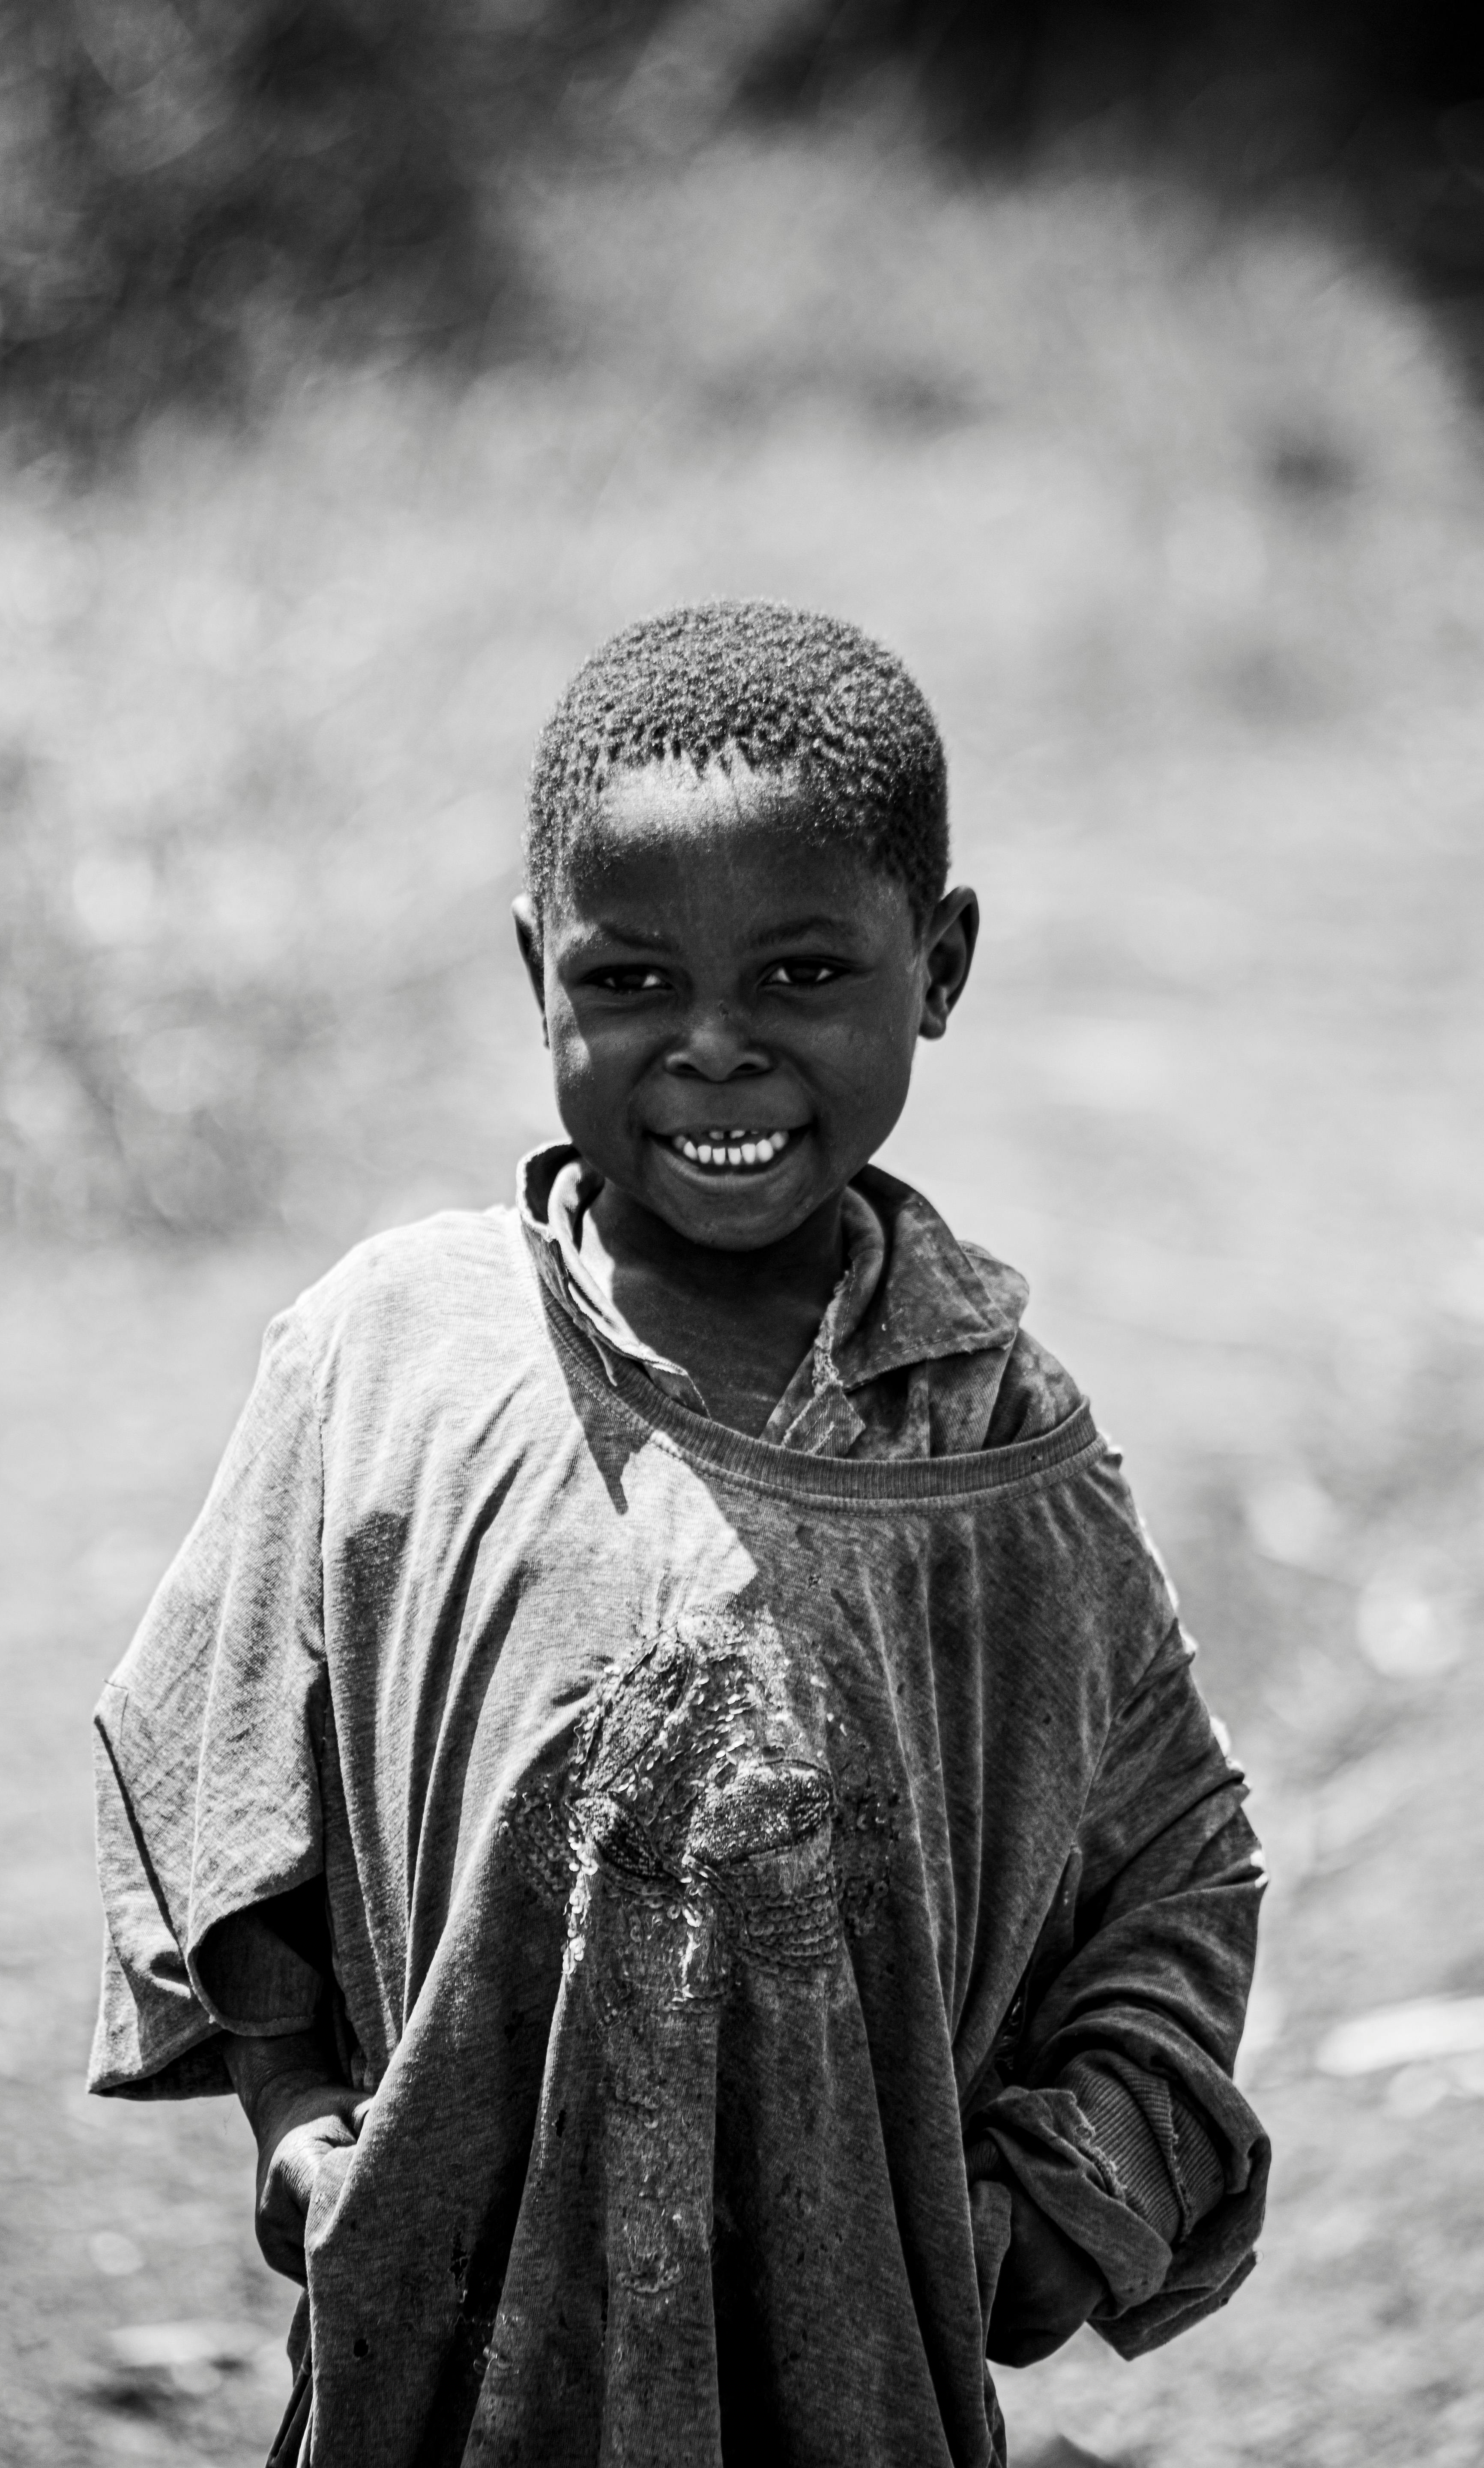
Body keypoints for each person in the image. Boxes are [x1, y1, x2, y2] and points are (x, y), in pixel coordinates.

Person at [89, 602, 1268, 2468]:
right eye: (629, 983)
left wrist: (1049, 2206)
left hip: (858, 2365)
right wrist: (297, 2116)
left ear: (938, 964)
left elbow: (1180, 1852)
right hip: (447, 2365)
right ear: (533, 969)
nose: (713, 1051)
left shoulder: (992, 1433)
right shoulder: (394, 1352)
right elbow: (210, 1758)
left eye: (803, 976)